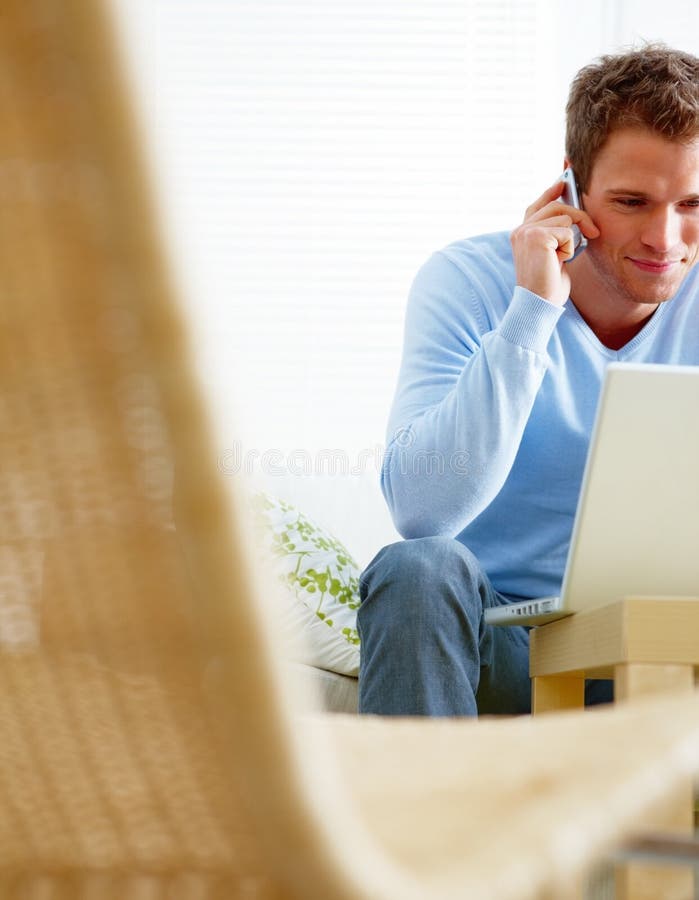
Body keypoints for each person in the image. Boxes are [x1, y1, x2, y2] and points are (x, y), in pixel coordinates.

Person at [357, 44, 699, 717]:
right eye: (631, 201)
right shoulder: (466, 281)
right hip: (500, 646)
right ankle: (429, 819)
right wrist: (531, 313)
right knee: (416, 568)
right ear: (570, 190)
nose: (664, 239)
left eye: (691, 202)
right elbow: (423, 513)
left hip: (665, 644)